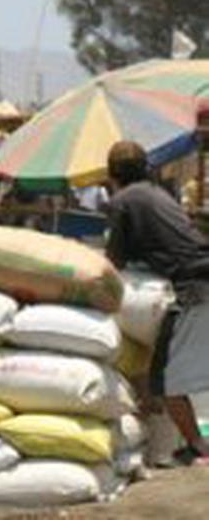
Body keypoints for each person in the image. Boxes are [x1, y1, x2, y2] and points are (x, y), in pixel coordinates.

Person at [105, 140, 209, 464]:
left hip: (192, 287)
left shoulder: (123, 201)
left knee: (164, 378)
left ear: (112, 175)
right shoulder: (158, 194)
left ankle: (199, 448)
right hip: (200, 277)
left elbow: (114, 261)